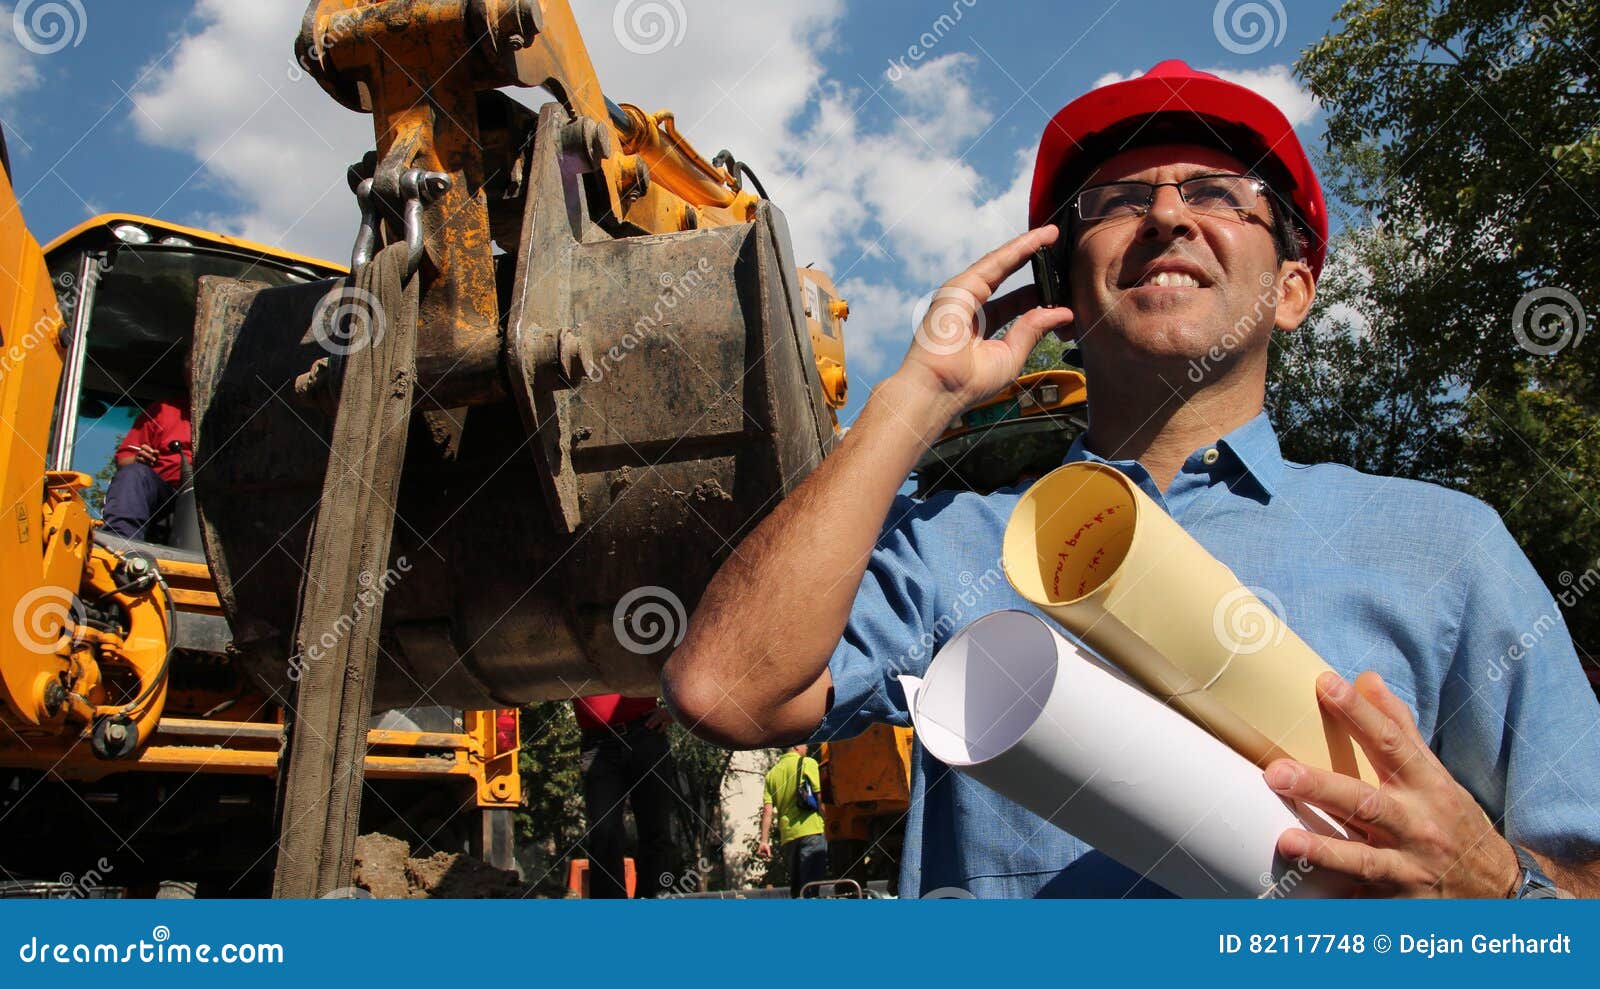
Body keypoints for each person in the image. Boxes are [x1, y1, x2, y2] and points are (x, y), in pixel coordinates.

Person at [662, 61, 1600, 899]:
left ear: (1292, 289)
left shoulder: (1450, 546)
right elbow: (723, 690)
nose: (1164, 215)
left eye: (1221, 194)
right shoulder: (949, 547)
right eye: (1115, 201)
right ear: (1062, 293)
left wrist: (1498, 891)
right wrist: (918, 395)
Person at [573, 693, 680, 898]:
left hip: (645, 733)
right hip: (597, 743)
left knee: (656, 831)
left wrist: (676, 711)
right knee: (603, 832)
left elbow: (681, 662)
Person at [101, 397, 191, 541]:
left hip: (217, 498)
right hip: (166, 495)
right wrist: (139, 459)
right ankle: (121, 543)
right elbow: (124, 459)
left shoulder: (234, 420)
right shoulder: (163, 411)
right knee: (134, 473)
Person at [758, 744, 826, 897]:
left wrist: (764, 841)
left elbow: (767, 811)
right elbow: (819, 796)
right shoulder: (808, 763)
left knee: (797, 889)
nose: (807, 747)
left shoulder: (772, 774)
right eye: (804, 743)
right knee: (811, 888)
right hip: (812, 832)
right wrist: (829, 821)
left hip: (788, 838)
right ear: (796, 746)